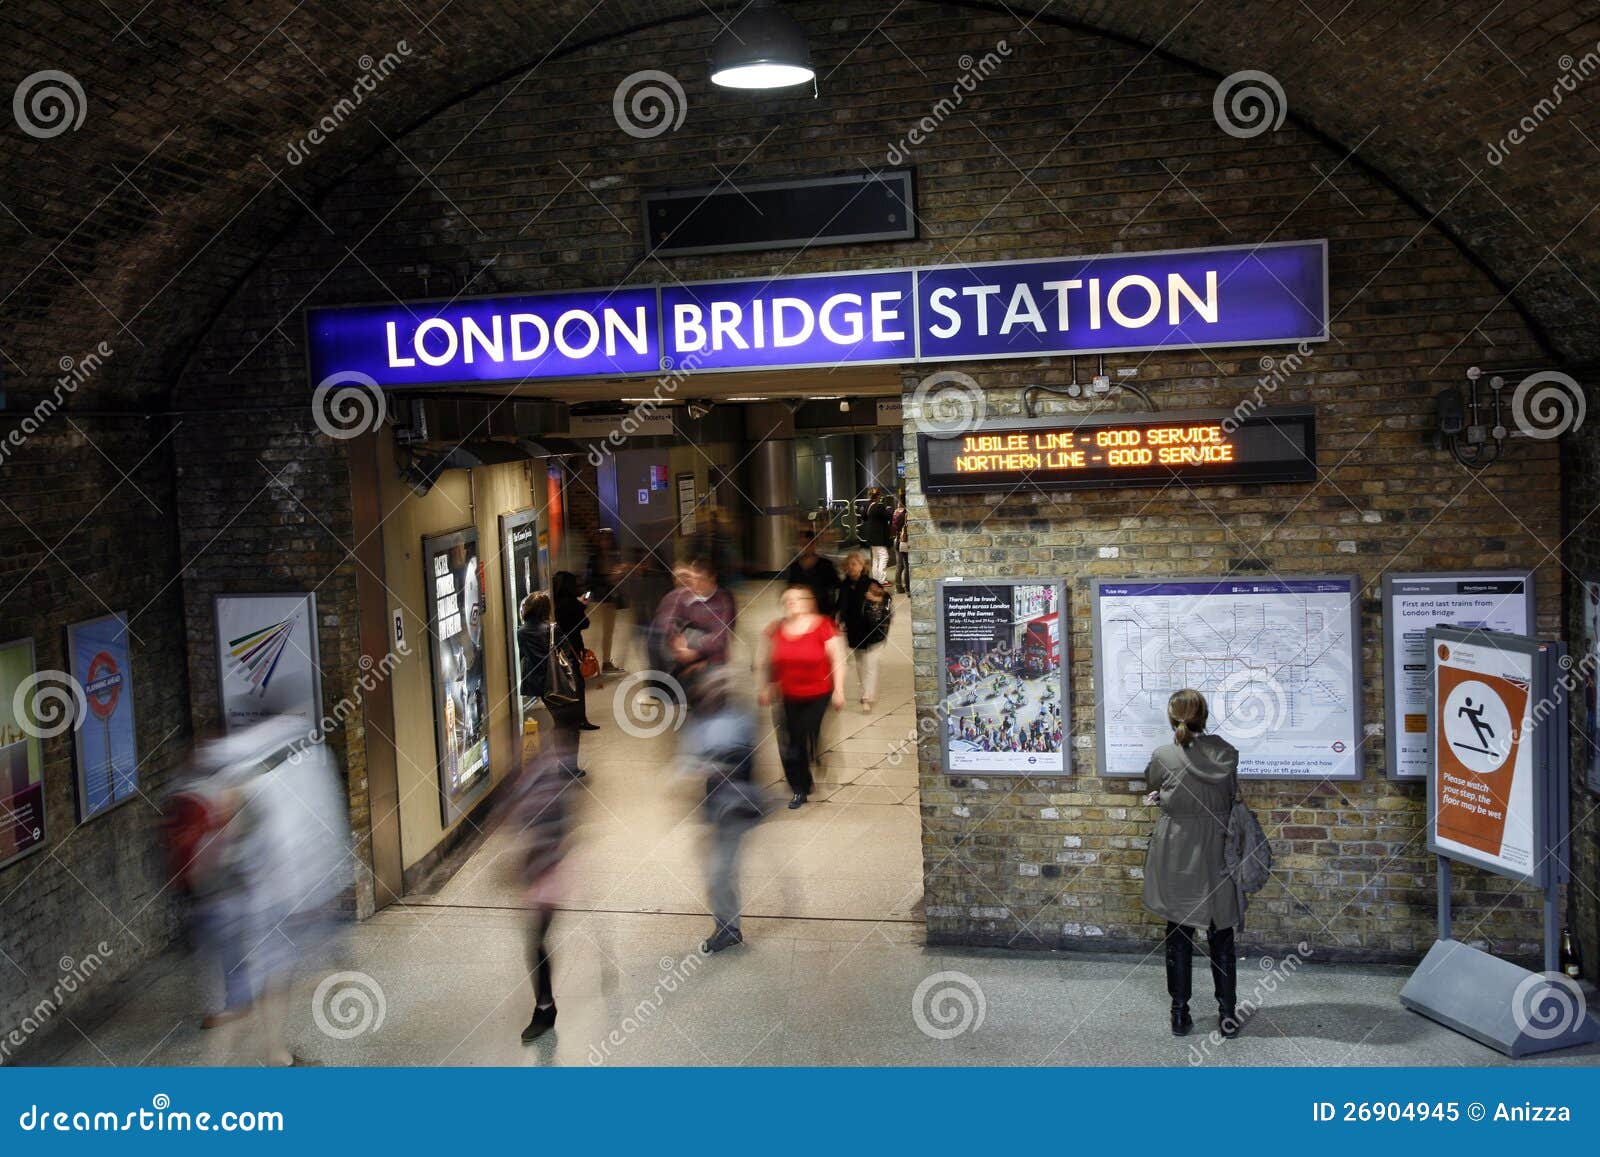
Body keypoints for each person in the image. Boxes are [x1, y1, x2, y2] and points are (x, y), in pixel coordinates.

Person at [1140, 688, 1240, 1039]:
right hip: (1217, 850)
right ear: (1204, 715)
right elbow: (1229, 795)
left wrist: (1162, 797)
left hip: (1177, 850)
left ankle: (1180, 1014)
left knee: (1178, 932)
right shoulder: (1227, 753)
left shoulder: (1163, 755)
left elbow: (1154, 783)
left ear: (1172, 717)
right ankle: (1228, 1015)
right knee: (1221, 932)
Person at [497, 649, 578, 1043]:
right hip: (542, 867)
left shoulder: (547, 776)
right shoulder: (541, 772)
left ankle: (545, 1008)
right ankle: (544, 1005)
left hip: (548, 869)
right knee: (537, 937)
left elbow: (550, 824)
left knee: (537, 939)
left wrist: (533, 861)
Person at [681, 665, 763, 954]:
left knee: (720, 871)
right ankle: (727, 924)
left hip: (736, 808)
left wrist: (715, 766)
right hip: (716, 807)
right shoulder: (700, 720)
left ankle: (729, 929)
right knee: (717, 870)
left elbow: (747, 762)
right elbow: (691, 758)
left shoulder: (738, 719)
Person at [760, 583, 847, 809]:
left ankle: (816, 754)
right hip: (788, 695)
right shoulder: (776, 629)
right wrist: (767, 686)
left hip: (818, 693)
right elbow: (768, 661)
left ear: (808, 602)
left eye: (796, 599)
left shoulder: (823, 626)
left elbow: (838, 658)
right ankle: (800, 787)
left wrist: (839, 690)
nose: (791, 603)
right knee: (790, 743)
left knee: (808, 733)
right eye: (787, 600)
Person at [518, 591, 586, 780]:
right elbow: (566, 654)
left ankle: (564, 764)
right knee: (569, 725)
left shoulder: (521, 632)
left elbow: (524, 656)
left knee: (560, 722)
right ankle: (569, 766)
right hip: (558, 683)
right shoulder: (552, 629)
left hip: (539, 685)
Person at [651, 556, 737, 682]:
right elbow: (666, 617)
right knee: (655, 638)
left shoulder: (724, 601)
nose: (696, 584)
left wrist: (695, 652)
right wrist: (676, 638)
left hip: (712, 657)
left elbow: (720, 637)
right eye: (694, 579)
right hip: (683, 653)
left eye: (702, 579)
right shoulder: (682, 595)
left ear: (712, 578)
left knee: (709, 688)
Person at [837, 551, 892, 711]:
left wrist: (876, 599)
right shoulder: (845, 585)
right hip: (854, 631)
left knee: (871, 663)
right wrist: (838, 621)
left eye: (855, 564)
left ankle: (866, 695)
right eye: (849, 565)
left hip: (874, 631)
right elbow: (841, 606)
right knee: (861, 663)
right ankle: (865, 691)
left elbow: (886, 600)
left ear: (862, 566)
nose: (851, 567)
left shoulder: (872, 584)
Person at [552, 571, 598, 732]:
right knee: (578, 683)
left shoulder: (554, 603)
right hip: (573, 646)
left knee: (564, 683)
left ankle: (566, 719)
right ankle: (580, 719)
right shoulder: (572, 603)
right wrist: (580, 607)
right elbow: (585, 623)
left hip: (559, 647)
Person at [584, 528, 626, 679]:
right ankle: (591, 663)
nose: (605, 542)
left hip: (609, 599)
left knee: (608, 633)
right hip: (599, 599)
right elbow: (590, 581)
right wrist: (587, 597)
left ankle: (605, 662)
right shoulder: (595, 558)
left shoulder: (614, 556)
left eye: (607, 539)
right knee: (595, 633)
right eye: (603, 539)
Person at [782, 532, 841, 619]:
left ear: (815, 544)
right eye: (804, 544)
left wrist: (834, 610)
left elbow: (836, 585)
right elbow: (791, 588)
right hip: (802, 611)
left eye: (809, 544)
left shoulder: (826, 565)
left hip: (823, 610)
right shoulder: (794, 567)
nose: (807, 547)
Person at [862, 486, 892, 583]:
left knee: (875, 558)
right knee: (884, 556)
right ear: (878, 495)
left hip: (871, 536)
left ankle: (875, 579)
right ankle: (882, 580)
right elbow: (888, 516)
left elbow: (864, 517)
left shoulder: (867, 506)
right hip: (878, 536)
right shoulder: (879, 506)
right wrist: (889, 509)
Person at [891, 493, 909, 594]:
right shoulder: (904, 513)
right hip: (902, 540)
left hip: (897, 539)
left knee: (899, 565)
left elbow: (894, 526)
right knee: (905, 566)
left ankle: (898, 587)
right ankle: (906, 588)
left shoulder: (896, 512)